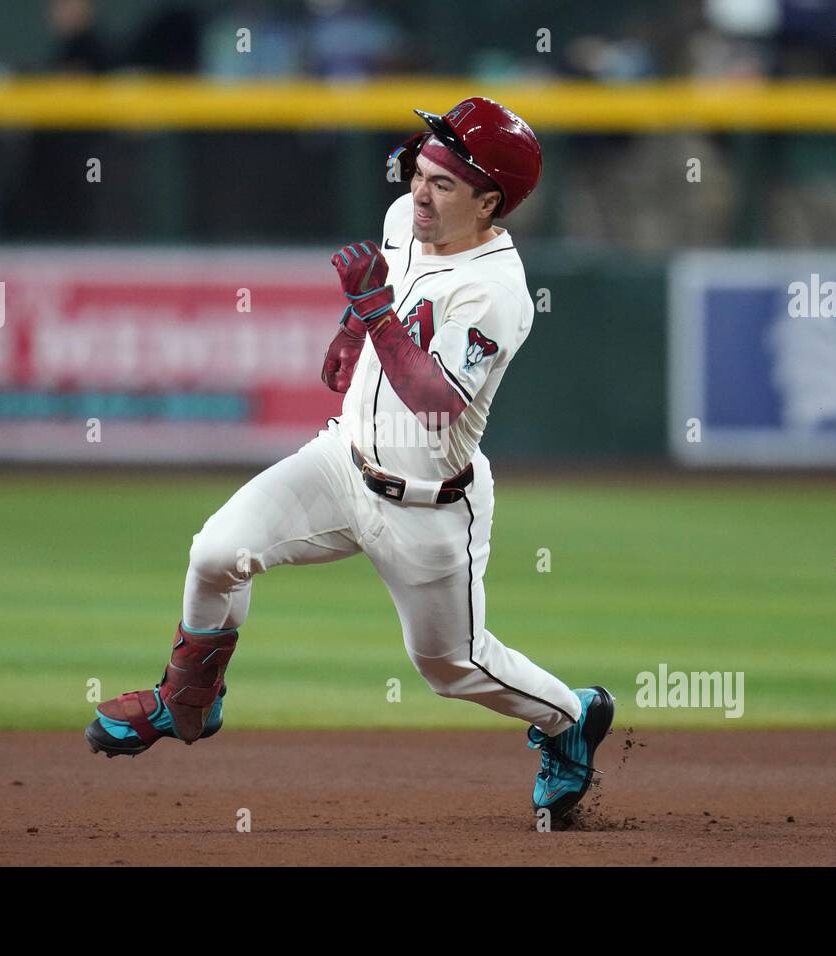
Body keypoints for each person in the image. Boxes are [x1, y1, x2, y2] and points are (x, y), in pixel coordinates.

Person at [85, 96, 614, 821]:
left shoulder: (496, 292)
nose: (417, 192)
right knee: (216, 554)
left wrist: (368, 310)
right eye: (420, 173)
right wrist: (349, 328)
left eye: (442, 183)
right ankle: (187, 700)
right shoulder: (409, 220)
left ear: (490, 202)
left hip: (429, 504)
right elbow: (389, 279)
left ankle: (568, 717)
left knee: (450, 668)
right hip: (343, 462)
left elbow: (436, 399)